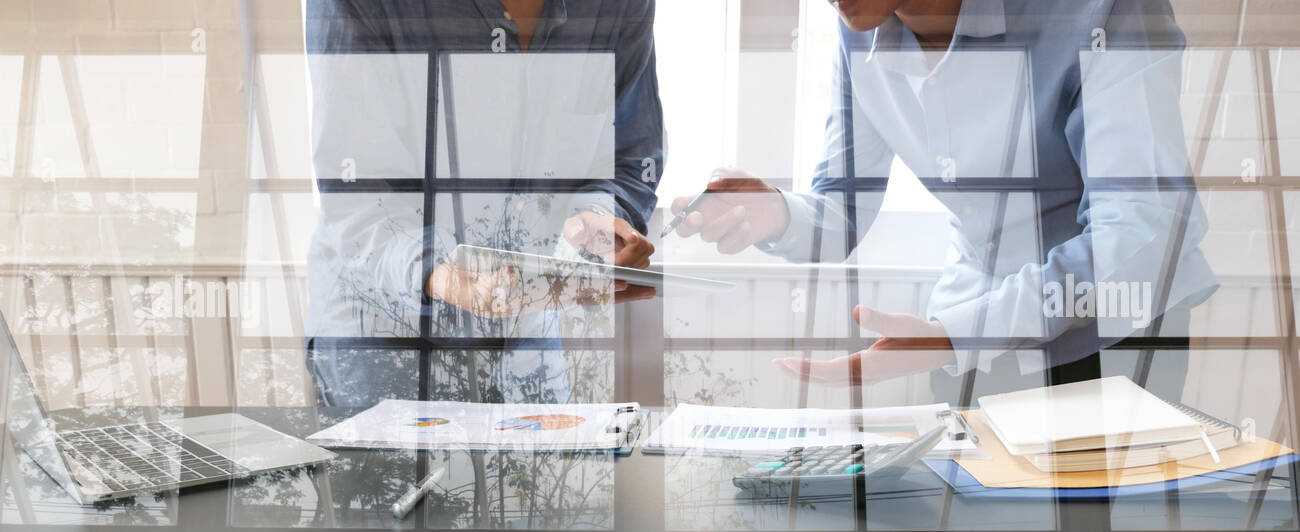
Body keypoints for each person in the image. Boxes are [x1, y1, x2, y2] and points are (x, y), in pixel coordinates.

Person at [671, 0, 1217, 404]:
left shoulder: (1103, 12)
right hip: (962, 341)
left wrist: (957, 336)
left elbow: (1142, 230)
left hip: (1113, 341)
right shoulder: (859, 33)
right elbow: (841, 212)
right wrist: (778, 213)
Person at [304, 0, 664, 407]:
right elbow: (356, 192)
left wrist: (595, 220)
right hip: (384, 335)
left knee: (553, 471)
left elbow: (632, 156)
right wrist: (441, 273)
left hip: (527, 332)